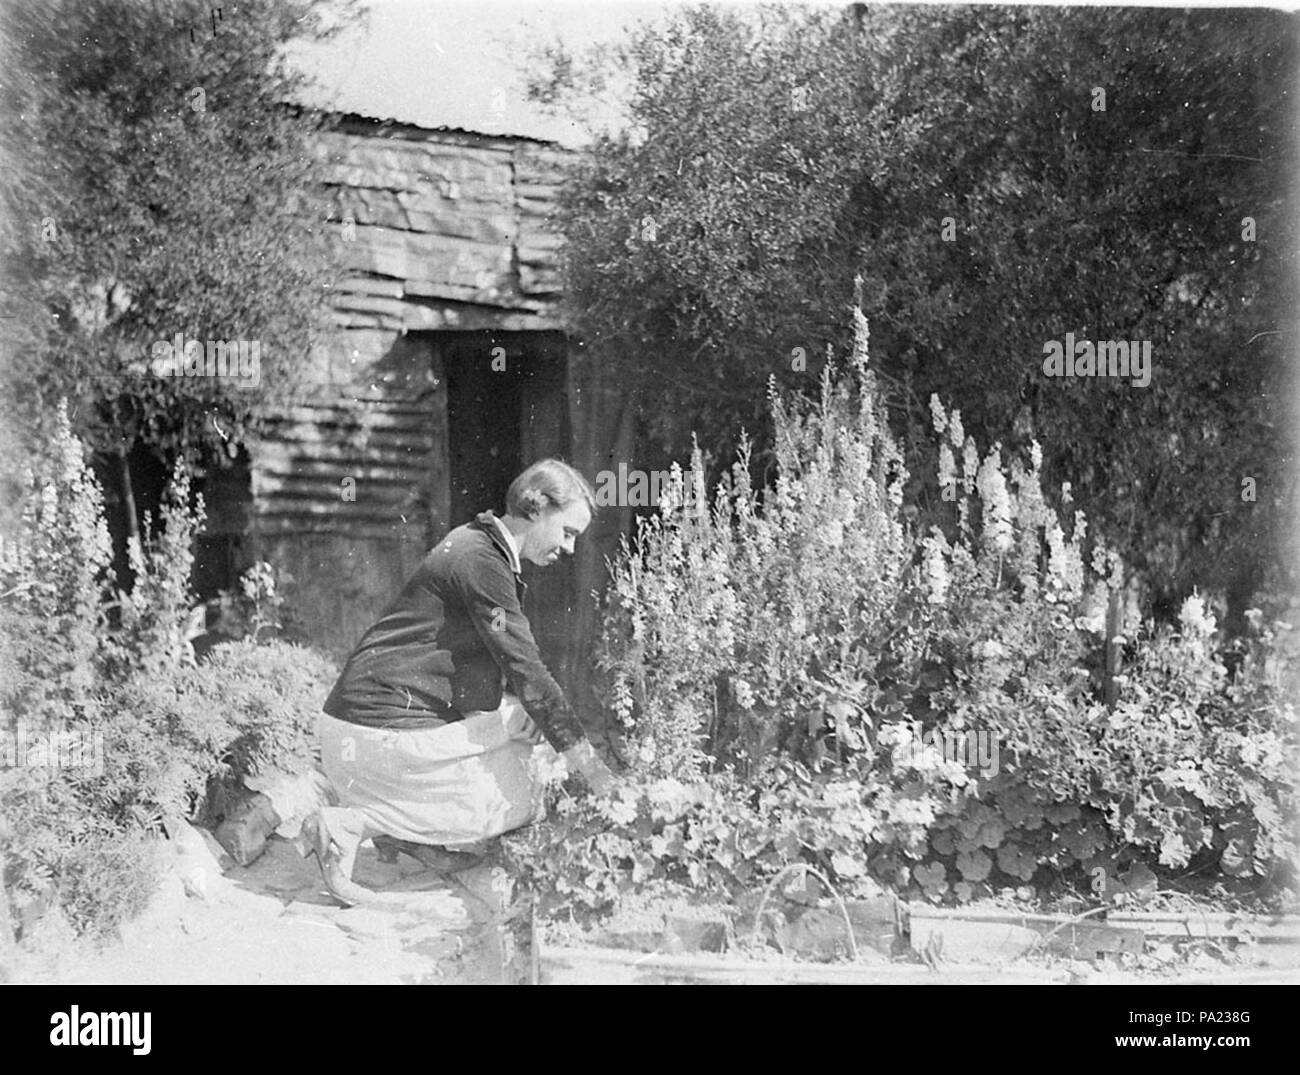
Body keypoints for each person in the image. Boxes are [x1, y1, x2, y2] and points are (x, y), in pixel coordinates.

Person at [305, 459, 616, 906]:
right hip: (372, 736)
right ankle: (354, 825)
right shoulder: (481, 561)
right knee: (523, 796)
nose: (569, 548)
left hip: (366, 730)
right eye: (567, 531)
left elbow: (473, 669)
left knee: (524, 739)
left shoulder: (479, 545)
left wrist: (510, 723)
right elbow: (527, 670)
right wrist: (593, 769)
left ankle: (412, 834)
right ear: (535, 508)